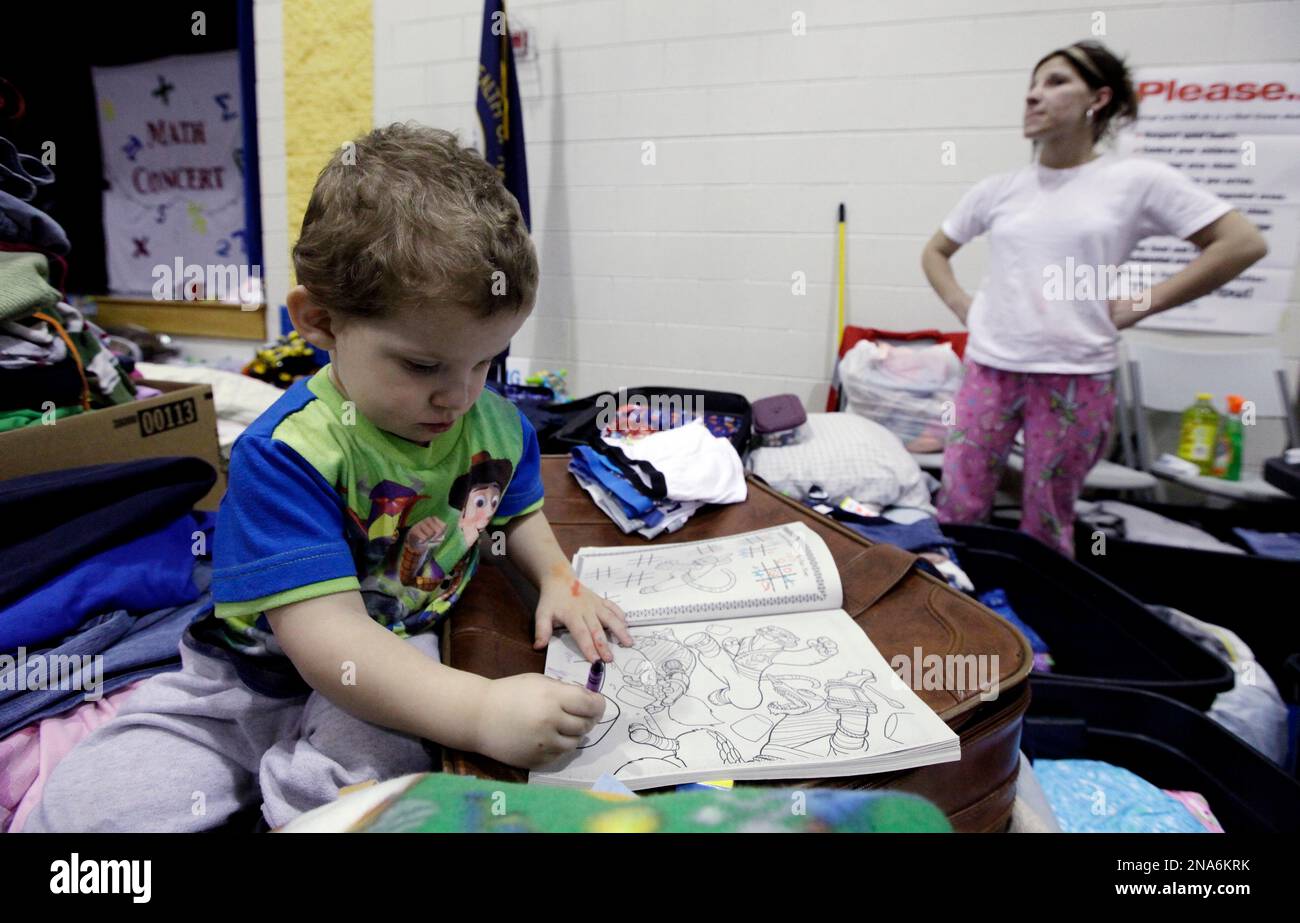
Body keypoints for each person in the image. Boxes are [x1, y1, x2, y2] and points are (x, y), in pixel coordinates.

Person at [26, 123, 633, 832]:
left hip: (403, 649)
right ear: (320, 320)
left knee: (366, 790)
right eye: (423, 365)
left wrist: (557, 576)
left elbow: (516, 505)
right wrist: (480, 711)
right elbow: (329, 641)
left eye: (485, 361)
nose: (461, 395)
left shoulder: (493, 421)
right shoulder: (287, 454)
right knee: (84, 813)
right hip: (256, 676)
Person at [920, 41, 1268, 557]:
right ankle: (955, 603)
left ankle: (1040, 627)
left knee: (1047, 519)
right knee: (959, 504)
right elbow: (936, 251)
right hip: (991, 367)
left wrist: (1142, 304)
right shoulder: (1001, 189)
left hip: (1075, 374)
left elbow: (1242, 243)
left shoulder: (1136, 180)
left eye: (1056, 82)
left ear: (1098, 99)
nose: (1034, 96)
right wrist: (963, 306)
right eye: (1032, 85)